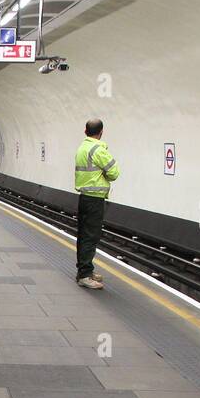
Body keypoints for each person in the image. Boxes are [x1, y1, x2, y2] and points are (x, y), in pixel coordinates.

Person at [73, 117, 120, 289]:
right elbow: (114, 173)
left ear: (85, 132)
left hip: (84, 197)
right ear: (101, 133)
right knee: (91, 236)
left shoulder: (82, 148)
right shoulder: (98, 149)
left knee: (83, 235)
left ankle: (84, 270)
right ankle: (85, 275)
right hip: (95, 199)